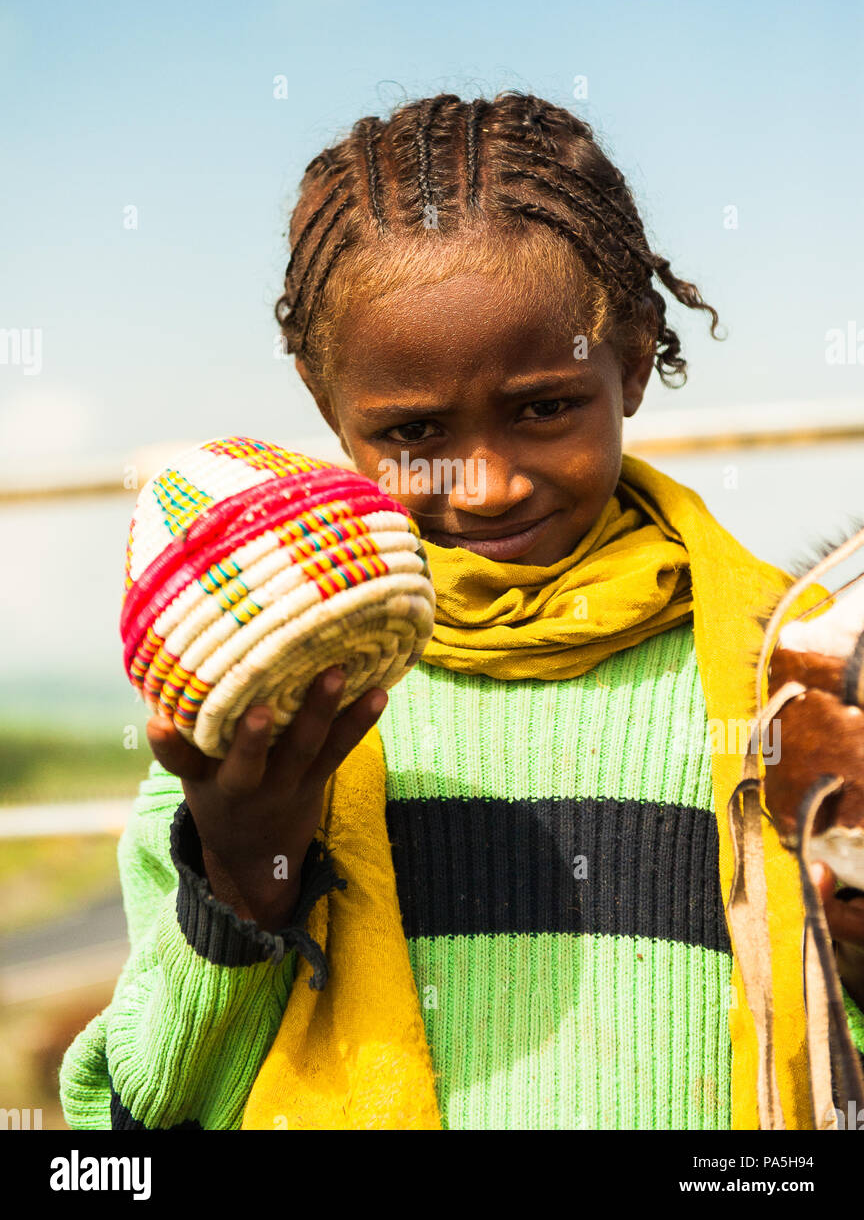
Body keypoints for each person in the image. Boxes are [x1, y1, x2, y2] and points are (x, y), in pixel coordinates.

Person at [60, 92, 864, 1130]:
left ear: (631, 356)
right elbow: (142, 1120)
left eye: (542, 408)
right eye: (415, 428)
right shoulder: (273, 717)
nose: (484, 483)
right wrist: (242, 879)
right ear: (324, 402)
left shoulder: (794, 691)